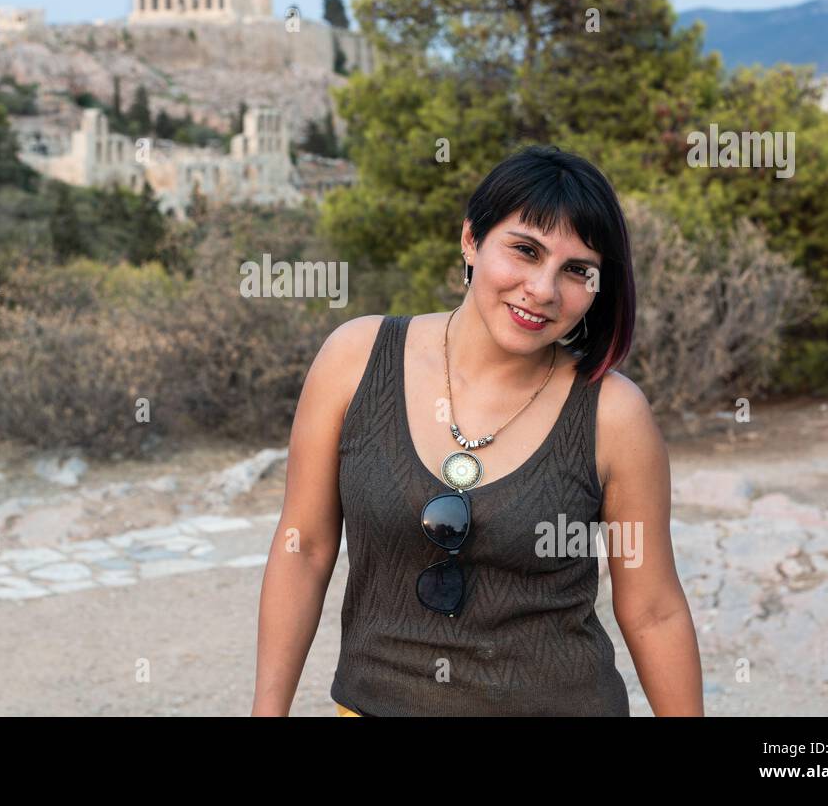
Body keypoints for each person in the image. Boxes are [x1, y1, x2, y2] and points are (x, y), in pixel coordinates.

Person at [251, 144, 703, 716]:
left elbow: (653, 609)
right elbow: (304, 549)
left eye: (575, 270)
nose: (542, 289)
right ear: (471, 239)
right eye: (524, 250)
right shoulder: (355, 359)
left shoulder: (613, 413)